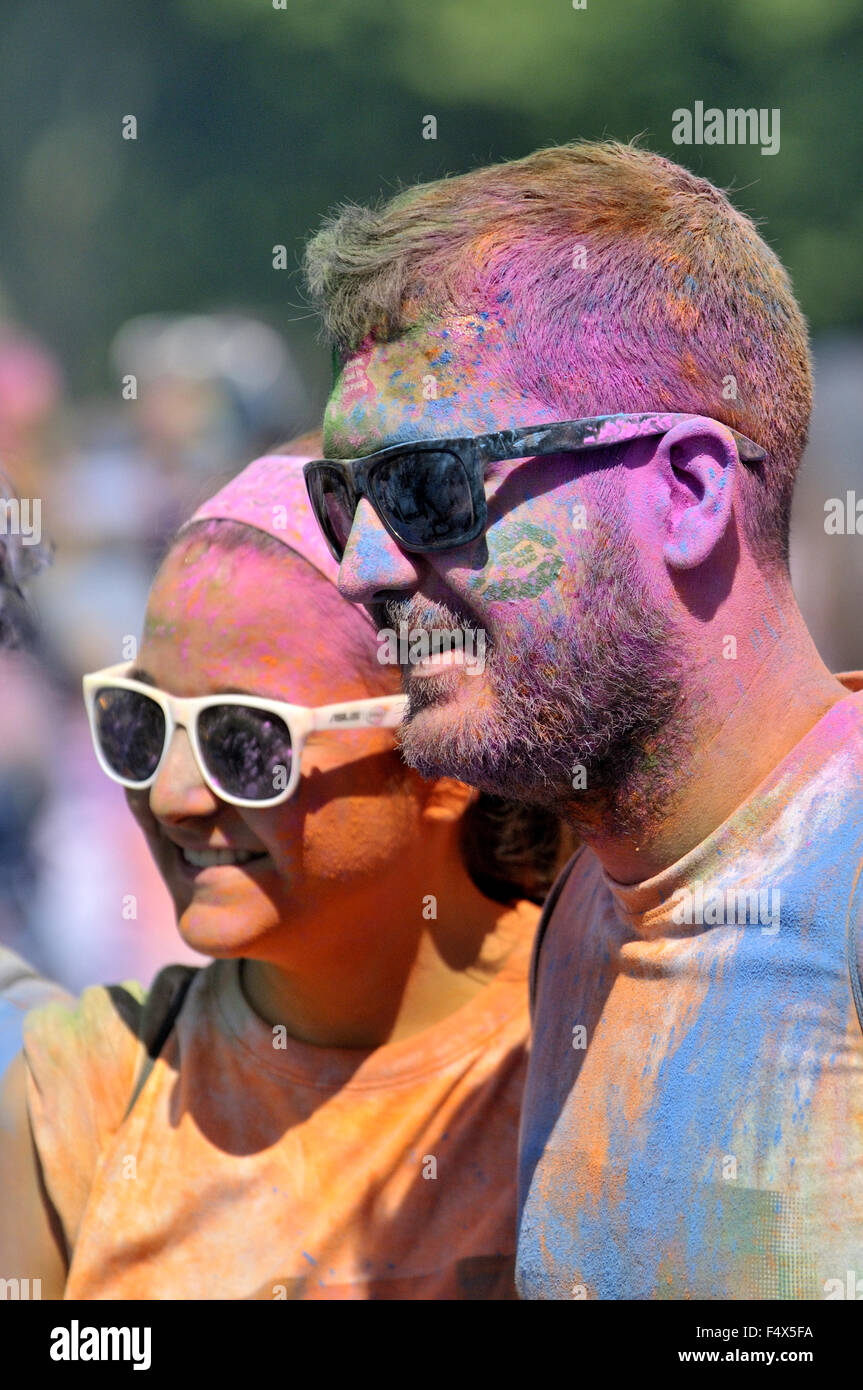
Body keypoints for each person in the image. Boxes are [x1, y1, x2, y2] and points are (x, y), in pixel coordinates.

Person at [301, 140, 863, 1299]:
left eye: (423, 485)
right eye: (341, 497)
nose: (361, 567)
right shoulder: (587, 903)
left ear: (688, 493)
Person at [0, 452, 572, 1300]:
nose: (170, 797)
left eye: (247, 742)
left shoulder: (596, 1046)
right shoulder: (75, 1098)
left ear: (442, 759)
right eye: (139, 723)